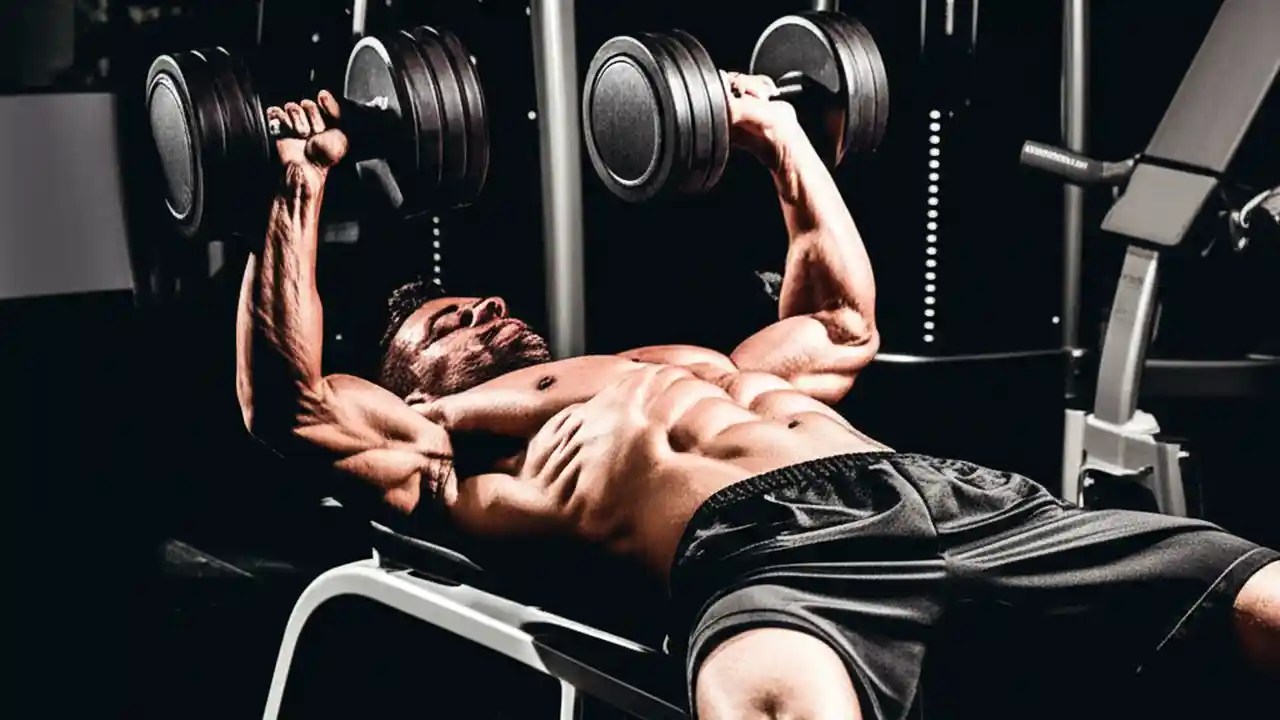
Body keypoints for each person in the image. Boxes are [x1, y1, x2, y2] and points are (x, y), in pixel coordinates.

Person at [237, 74, 1279, 720]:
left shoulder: (671, 361)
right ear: (400, 383)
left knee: (1262, 604)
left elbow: (837, 326)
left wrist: (775, 136)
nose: (488, 309)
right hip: (768, 564)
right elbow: (289, 404)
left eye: (480, 301)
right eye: (449, 322)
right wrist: (298, 179)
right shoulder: (442, 449)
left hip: (954, 498)